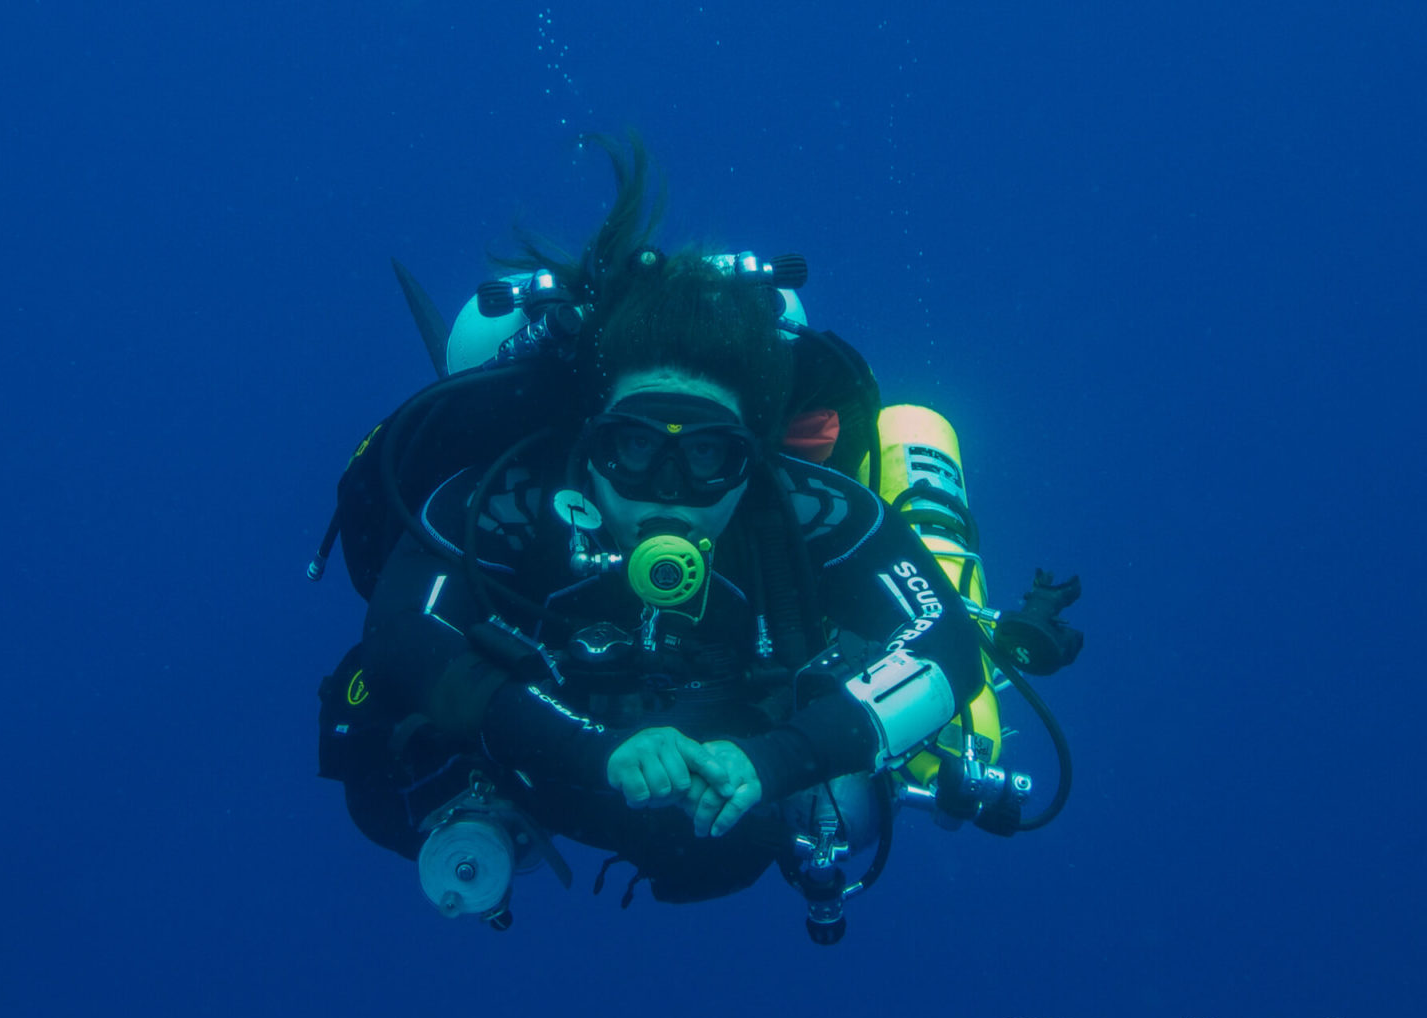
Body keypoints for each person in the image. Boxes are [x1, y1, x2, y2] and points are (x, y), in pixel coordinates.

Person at [316, 139, 1018, 918]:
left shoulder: (801, 506)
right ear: (590, 445)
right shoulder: (511, 498)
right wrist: (598, 750)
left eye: (711, 457)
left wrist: (773, 762)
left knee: (822, 823)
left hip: (751, 772)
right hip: (537, 764)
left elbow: (945, 640)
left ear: (754, 463)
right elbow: (404, 638)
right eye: (636, 448)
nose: (670, 495)